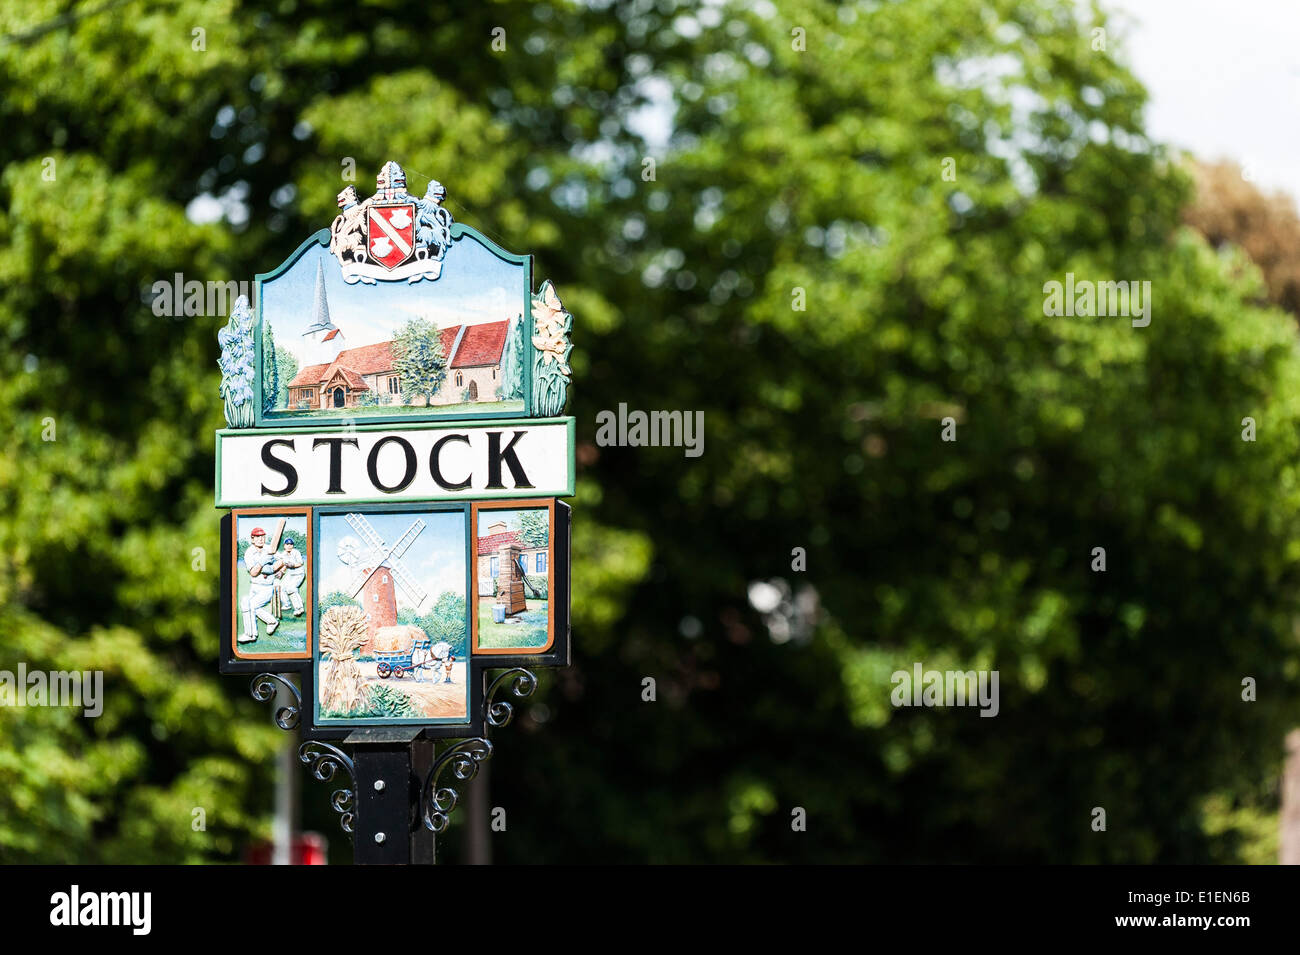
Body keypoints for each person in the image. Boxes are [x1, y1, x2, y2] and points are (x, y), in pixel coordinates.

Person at [239, 527, 284, 644]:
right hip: (254, 586)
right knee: (245, 603)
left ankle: (253, 634)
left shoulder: (270, 548)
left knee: (253, 606)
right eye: (257, 537)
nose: (260, 539)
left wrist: (272, 569)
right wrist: (262, 562)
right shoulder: (249, 552)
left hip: (266, 586)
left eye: (262, 536)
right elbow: (253, 572)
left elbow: (282, 560)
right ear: (252, 539)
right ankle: (260, 627)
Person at [275, 538, 306, 617]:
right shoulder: (283, 554)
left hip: (299, 573)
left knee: (291, 588)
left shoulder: (296, 552)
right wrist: (281, 572)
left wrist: (292, 565)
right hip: (291, 574)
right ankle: (286, 604)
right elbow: (285, 564)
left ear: (293, 545)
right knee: (281, 587)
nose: (289, 546)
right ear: (284, 546)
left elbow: (300, 563)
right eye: (287, 544)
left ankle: (299, 608)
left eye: (291, 544)